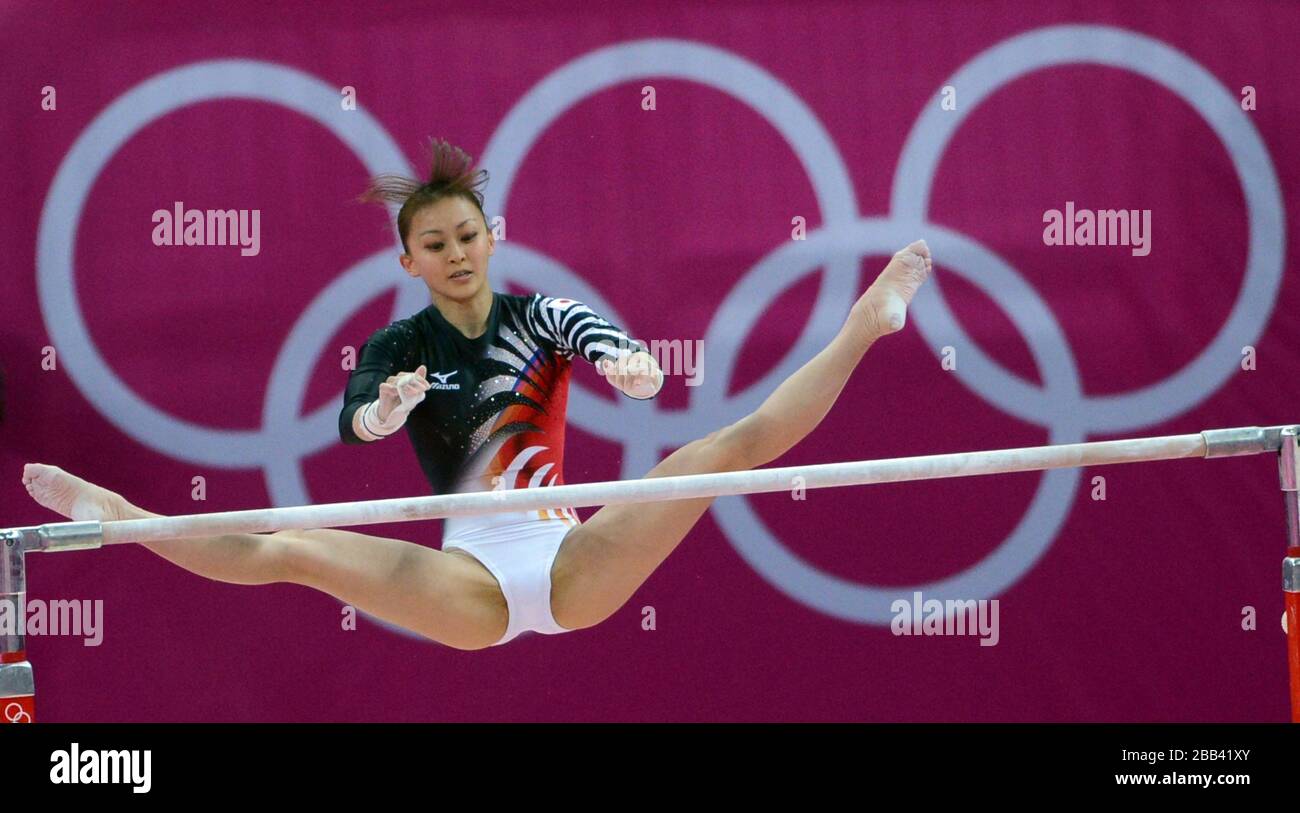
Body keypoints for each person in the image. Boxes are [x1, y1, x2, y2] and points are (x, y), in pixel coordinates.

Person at [22, 139, 933, 651]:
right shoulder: (396, 344)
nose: (456, 254)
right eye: (436, 243)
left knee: (720, 453)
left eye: (467, 235)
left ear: (491, 237)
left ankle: (864, 324)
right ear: (408, 260)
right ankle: (121, 513)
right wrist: (380, 412)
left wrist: (629, 366)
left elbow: (600, 340)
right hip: (470, 581)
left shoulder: (544, 316)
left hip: (572, 561)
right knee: (289, 547)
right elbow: (353, 421)